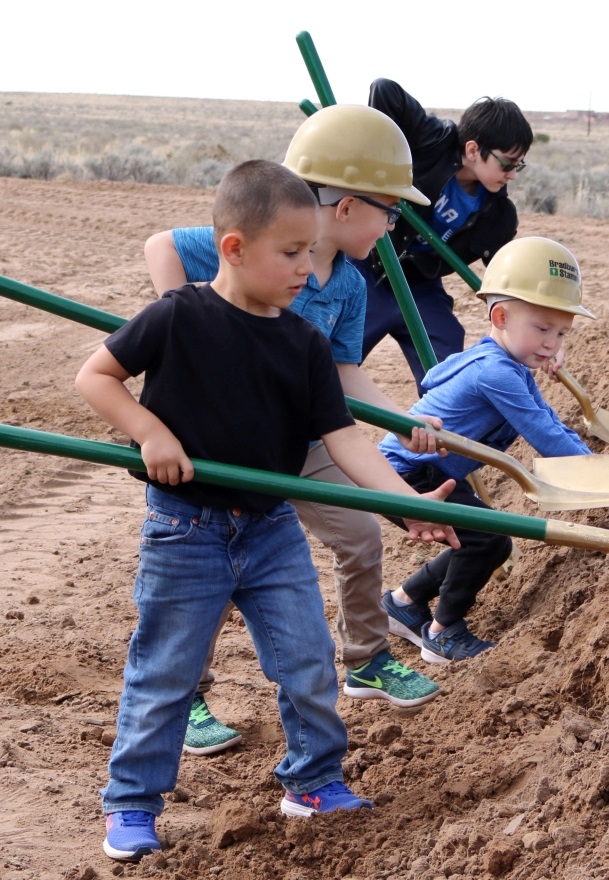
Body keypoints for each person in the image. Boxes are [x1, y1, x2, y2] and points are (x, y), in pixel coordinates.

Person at [77, 159, 460, 861]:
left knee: (308, 660)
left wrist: (404, 506)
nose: (306, 271)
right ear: (234, 248)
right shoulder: (178, 316)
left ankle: (312, 781)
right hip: (185, 527)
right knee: (165, 673)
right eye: (291, 254)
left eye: (310, 251)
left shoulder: (304, 342)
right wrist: (152, 433)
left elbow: (343, 439)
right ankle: (132, 802)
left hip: (271, 528)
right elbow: (95, 376)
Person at [143, 105, 448, 758]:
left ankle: (366, 658)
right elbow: (162, 246)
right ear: (344, 208)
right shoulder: (263, 241)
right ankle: (189, 694)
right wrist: (187, 336)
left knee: (362, 533)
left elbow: (342, 374)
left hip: (304, 441)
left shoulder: (352, 286)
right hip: (225, 448)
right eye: (388, 209)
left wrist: (404, 414)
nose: (394, 224)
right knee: (215, 573)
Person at [378, 237, 596, 663]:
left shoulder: (505, 362)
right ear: (500, 316)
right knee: (489, 539)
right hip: (408, 471)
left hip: (427, 469)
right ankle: (443, 634)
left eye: (561, 333)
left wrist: (594, 461)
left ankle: (403, 604)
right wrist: (599, 473)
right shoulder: (497, 374)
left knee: (475, 534)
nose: (552, 344)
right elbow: (545, 435)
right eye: (542, 329)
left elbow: (547, 418)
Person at [354, 78, 534, 394]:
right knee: (328, 355)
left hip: (420, 287)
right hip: (370, 269)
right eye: (507, 163)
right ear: (473, 149)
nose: (513, 174)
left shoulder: (498, 215)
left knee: (447, 362)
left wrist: (537, 333)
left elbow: (505, 281)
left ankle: (443, 434)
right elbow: (385, 90)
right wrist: (377, 159)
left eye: (519, 165)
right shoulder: (434, 141)